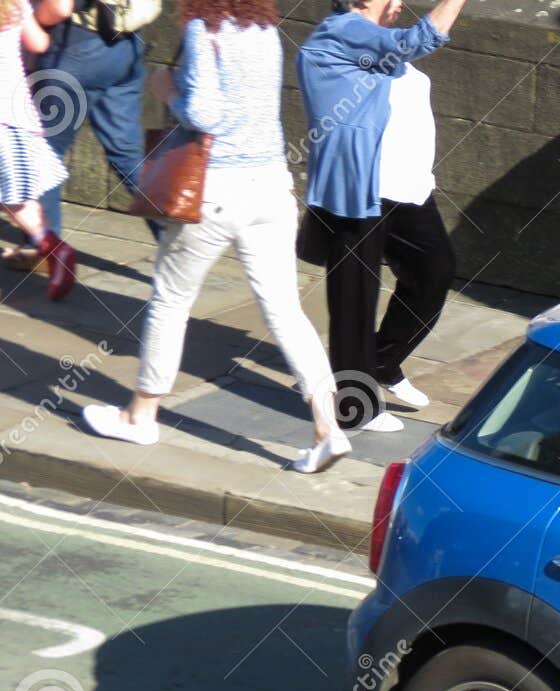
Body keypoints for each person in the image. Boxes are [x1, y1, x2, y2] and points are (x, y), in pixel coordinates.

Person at [80, 0, 349, 473]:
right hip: (271, 188)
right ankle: (328, 427)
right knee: (285, 310)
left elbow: (205, 114)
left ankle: (141, 415)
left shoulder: (207, 32)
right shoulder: (266, 31)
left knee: (171, 300)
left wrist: (168, 92)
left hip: (215, 190)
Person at [297, 0, 467, 433]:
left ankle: (383, 363)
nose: (397, 3)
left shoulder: (375, 40)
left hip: (408, 190)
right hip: (361, 188)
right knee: (355, 299)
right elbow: (422, 38)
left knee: (435, 270)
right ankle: (354, 404)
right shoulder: (343, 31)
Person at [3, 0, 161, 270]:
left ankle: (43, 248)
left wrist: (30, 20)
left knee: (43, 153)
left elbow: (61, 6)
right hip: (125, 45)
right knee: (127, 154)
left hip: (76, 47)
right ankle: (173, 234)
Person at [0, 0, 76, 298]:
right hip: (15, 114)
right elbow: (39, 42)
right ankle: (56, 250)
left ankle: (56, 249)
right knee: (15, 198)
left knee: (16, 199)